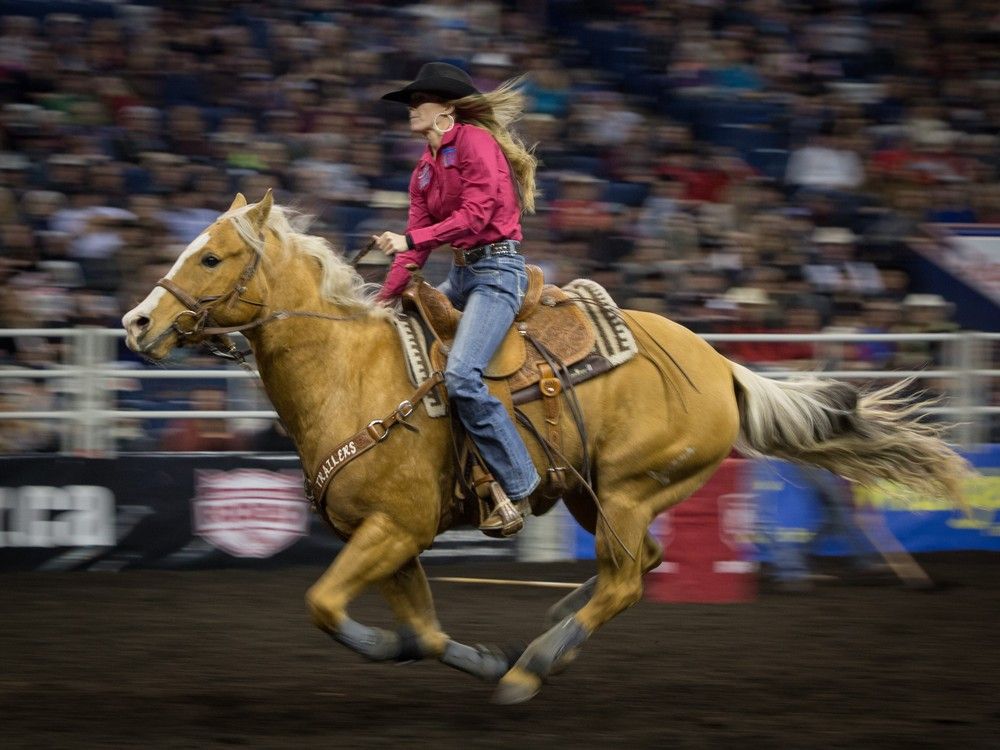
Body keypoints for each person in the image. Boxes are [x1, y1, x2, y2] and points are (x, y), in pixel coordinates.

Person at [370, 62, 541, 536]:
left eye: (418, 100)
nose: (411, 109)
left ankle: (519, 483)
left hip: (498, 273)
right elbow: (418, 247)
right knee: (400, 343)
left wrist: (408, 240)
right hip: (463, 274)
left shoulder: (475, 143)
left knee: (462, 375)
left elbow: (476, 212)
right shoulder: (423, 171)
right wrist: (384, 301)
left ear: (446, 109)